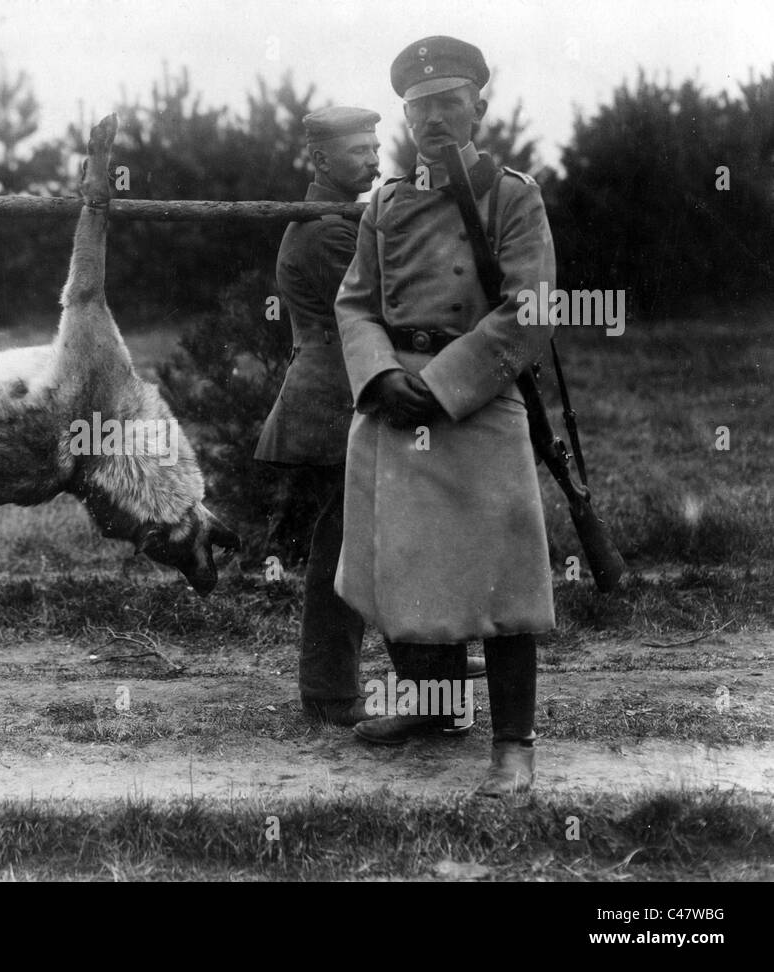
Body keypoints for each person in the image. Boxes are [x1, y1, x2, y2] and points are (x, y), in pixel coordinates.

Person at [333, 37, 556, 796]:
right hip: (396, 400)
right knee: (403, 565)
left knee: (505, 574)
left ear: (478, 109)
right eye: (420, 107)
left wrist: (448, 382)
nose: (433, 118)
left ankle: (514, 745)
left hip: (480, 396)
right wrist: (381, 375)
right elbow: (355, 303)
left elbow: (531, 308)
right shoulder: (387, 205)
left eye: (448, 103)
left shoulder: (511, 195)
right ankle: (435, 708)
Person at [255, 107, 487, 726]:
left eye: (375, 144)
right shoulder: (330, 231)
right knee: (348, 550)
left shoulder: (341, 217)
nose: (372, 157)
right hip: (334, 401)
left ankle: (416, 670)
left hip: (341, 394)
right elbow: (390, 304)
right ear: (321, 161)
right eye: (358, 149)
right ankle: (335, 692)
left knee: (361, 543)